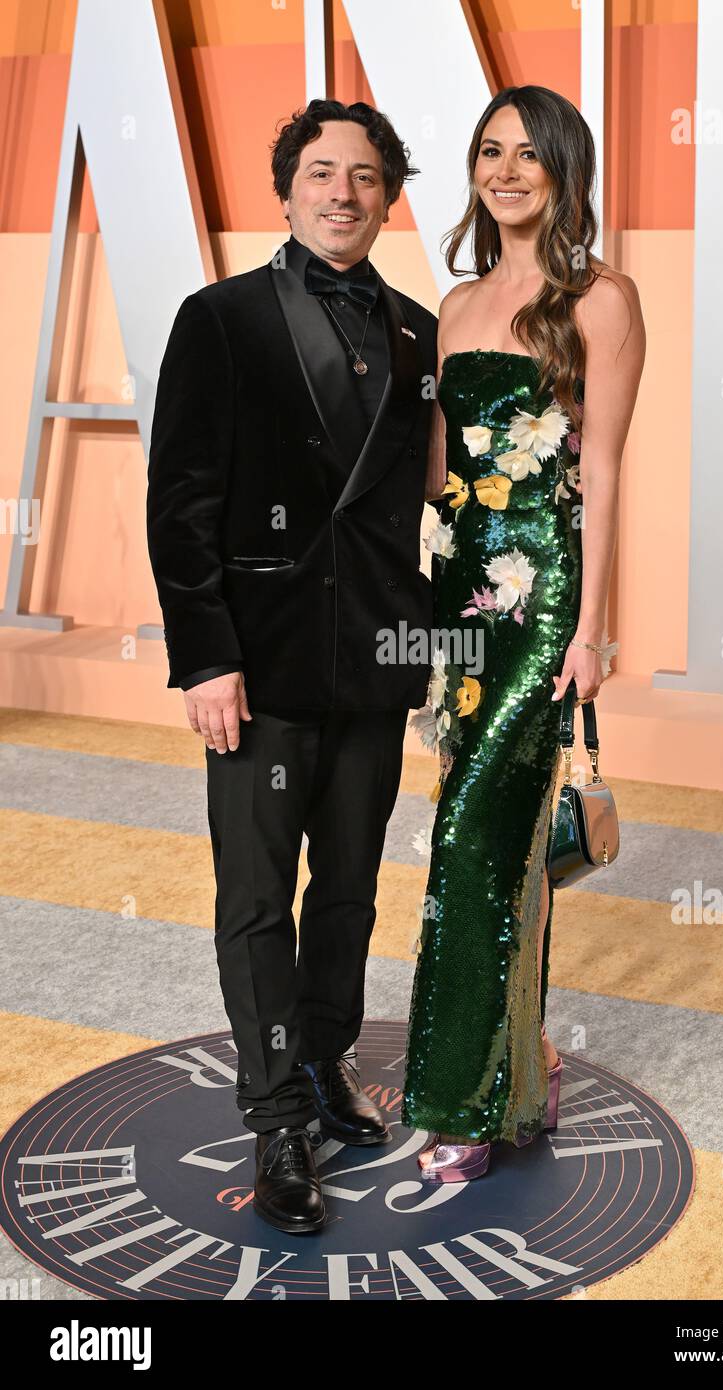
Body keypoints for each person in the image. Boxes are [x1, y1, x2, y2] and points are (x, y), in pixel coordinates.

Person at [146, 99, 437, 1232]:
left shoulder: (417, 332)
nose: (341, 193)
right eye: (321, 172)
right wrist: (205, 659)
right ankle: (274, 1117)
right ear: (286, 190)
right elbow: (182, 504)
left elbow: (429, 502)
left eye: (365, 177)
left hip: (370, 661)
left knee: (352, 893)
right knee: (258, 900)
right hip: (257, 671)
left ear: (386, 194)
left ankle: (324, 1066)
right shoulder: (218, 318)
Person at [400, 85, 645, 1181]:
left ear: (562, 169)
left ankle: (459, 1105)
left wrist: (593, 629)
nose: (504, 171)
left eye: (526, 154)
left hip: (543, 597)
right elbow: (440, 479)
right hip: (462, 600)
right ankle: (519, 1074)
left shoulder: (600, 297)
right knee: (494, 846)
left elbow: (600, 473)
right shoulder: (452, 306)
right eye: (487, 152)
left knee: (464, 845)